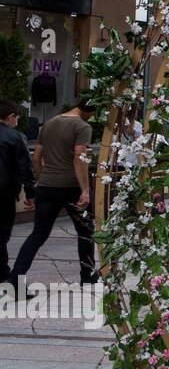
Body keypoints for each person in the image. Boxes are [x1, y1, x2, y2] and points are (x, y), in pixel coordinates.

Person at [6, 95, 98, 291]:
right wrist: (85, 190)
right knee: (85, 232)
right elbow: (79, 158)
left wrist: (41, 180)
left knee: (37, 235)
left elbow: (37, 157)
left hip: (47, 186)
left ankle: (15, 278)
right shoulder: (82, 127)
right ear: (89, 112)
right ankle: (87, 276)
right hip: (71, 187)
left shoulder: (50, 123)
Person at [0, 100, 36, 281]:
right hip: (4, 193)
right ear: (11, 117)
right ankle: (4, 275)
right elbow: (25, 168)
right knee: (2, 233)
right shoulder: (15, 137)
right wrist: (30, 194)